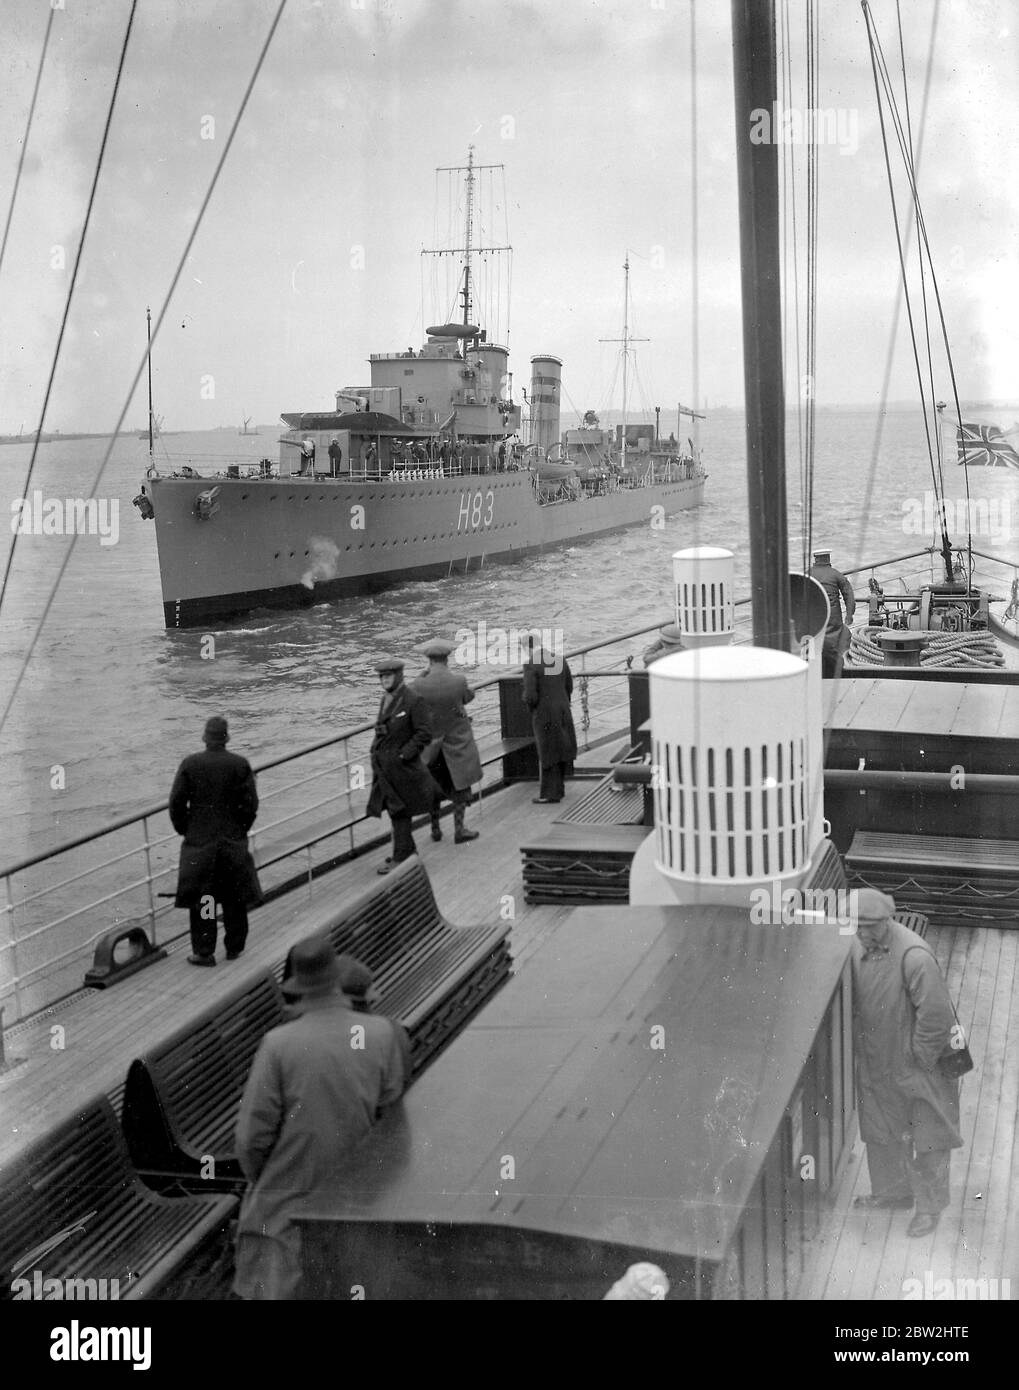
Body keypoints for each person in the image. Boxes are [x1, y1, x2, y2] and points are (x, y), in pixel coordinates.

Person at [233, 934, 406, 1299]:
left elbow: (251, 1141)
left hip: (289, 1202)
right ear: (335, 980)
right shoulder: (380, 1033)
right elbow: (391, 1120)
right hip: (356, 1199)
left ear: (298, 987)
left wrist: (267, 1180)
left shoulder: (278, 1044)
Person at [850, 888, 963, 1238]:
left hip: (919, 1067)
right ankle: (892, 1195)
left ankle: (929, 1209)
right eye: (858, 926)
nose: (863, 933)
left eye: (870, 927)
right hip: (877, 1061)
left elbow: (935, 1018)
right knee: (881, 1131)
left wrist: (917, 1063)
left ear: (888, 921)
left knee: (928, 1138)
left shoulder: (915, 956)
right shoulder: (858, 948)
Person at [169, 716, 261, 965]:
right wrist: (240, 830)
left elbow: (176, 803)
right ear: (226, 738)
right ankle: (234, 947)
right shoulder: (240, 764)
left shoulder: (190, 764)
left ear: (205, 738)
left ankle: (205, 951)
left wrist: (187, 830)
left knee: (206, 900)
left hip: (201, 844)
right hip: (232, 842)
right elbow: (250, 805)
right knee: (234, 898)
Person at [366, 656, 440, 874]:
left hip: (403, 768)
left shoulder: (413, 700)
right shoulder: (386, 699)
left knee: (400, 811)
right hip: (385, 768)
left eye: (388, 676)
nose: (384, 680)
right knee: (395, 810)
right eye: (382, 677)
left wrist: (403, 755)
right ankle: (407, 852)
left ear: (398, 676)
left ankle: (402, 857)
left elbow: (425, 733)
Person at [410, 637, 482, 845]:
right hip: (457, 744)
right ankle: (459, 829)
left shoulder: (418, 684)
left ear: (429, 661)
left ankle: (435, 829)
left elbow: (413, 702)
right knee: (460, 788)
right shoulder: (459, 681)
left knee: (433, 787)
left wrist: (422, 675)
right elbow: (467, 697)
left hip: (431, 747)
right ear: (447, 659)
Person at [522, 643, 577, 804]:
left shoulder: (531, 664)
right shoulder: (559, 659)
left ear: (528, 647)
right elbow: (569, 686)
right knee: (560, 748)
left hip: (544, 713)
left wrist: (530, 707)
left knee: (547, 751)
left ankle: (549, 794)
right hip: (563, 710)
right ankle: (559, 789)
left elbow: (531, 695)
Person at [809, 548, 856, 677]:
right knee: (843, 640)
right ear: (828, 559)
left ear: (816, 559)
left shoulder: (807, 574)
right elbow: (849, 595)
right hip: (834, 623)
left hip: (813, 624)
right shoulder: (836, 574)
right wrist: (849, 615)